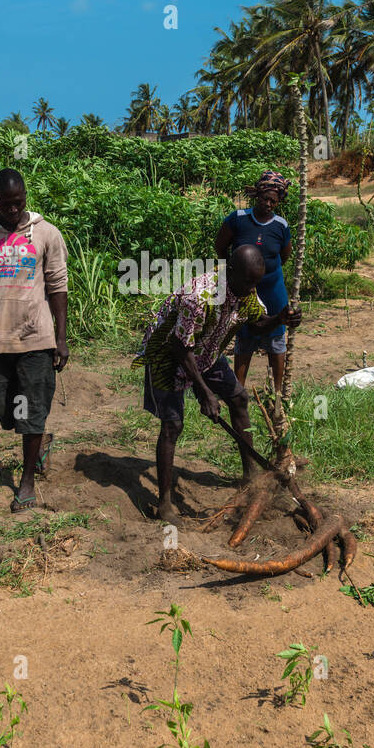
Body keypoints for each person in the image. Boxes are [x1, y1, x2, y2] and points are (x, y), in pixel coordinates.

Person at [133, 244, 301, 522]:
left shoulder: (245, 285)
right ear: (230, 271)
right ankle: (164, 503)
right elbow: (180, 346)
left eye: (255, 283)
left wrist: (279, 319)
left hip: (206, 352)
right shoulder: (198, 296)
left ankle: (250, 476)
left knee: (238, 399)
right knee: (172, 425)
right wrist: (204, 393)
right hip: (169, 356)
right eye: (248, 282)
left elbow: (255, 323)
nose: (251, 289)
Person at [0, 168, 69, 512]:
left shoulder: (46, 233)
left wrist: (61, 337)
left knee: (32, 410)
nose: (14, 210)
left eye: (19, 203)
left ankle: (26, 482)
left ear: (25, 197)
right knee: (2, 407)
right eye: (7, 204)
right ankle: (39, 444)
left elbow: (57, 285)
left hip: (36, 337)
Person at [214, 170, 293, 394]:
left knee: (276, 340)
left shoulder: (280, 226)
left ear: (277, 203)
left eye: (273, 201)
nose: (268, 204)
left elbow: (284, 256)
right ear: (256, 195)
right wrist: (233, 275)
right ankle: (238, 392)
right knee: (245, 337)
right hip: (244, 292)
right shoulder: (237, 219)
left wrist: (265, 272)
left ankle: (278, 393)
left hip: (273, 291)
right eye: (264, 198)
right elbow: (220, 247)